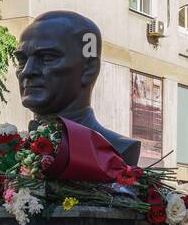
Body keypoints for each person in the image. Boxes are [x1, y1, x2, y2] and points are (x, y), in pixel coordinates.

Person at [14, 10, 141, 165]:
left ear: (89, 68)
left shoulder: (116, 149)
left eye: (47, 57)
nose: (27, 71)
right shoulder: (9, 151)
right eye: (22, 60)